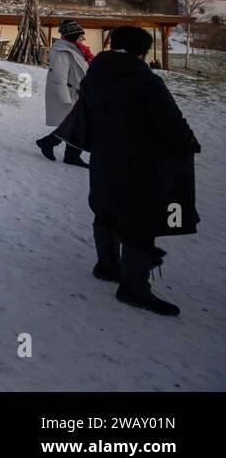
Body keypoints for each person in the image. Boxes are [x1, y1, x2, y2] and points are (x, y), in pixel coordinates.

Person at [80, 25, 200, 316]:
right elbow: (171, 122)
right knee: (139, 217)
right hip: (140, 160)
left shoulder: (95, 74)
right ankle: (134, 287)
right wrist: (189, 143)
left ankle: (107, 264)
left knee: (106, 206)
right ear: (142, 51)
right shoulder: (145, 81)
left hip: (105, 155)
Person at [36, 19, 91, 166]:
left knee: (78, 125)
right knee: (74, 124)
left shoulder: (77, 50)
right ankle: (50, 143)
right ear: (73, 36)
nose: (83, 38)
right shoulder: (62, 51)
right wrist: (65, 99)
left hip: (80, 93)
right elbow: (59, 77)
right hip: (71, 93)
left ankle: (69, 154)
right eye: (80, 36)